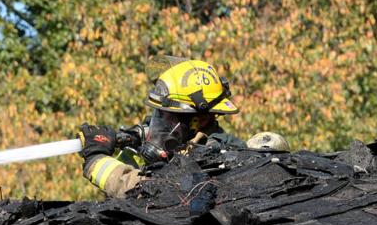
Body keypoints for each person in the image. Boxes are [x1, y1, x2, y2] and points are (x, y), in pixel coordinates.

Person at [77, 59, 287, 199]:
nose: (160, 124)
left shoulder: (220, 159)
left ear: (201, 120)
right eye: (160, 115)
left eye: (169, 118)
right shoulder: (188, 145)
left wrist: (96, 159)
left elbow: (150, 193)